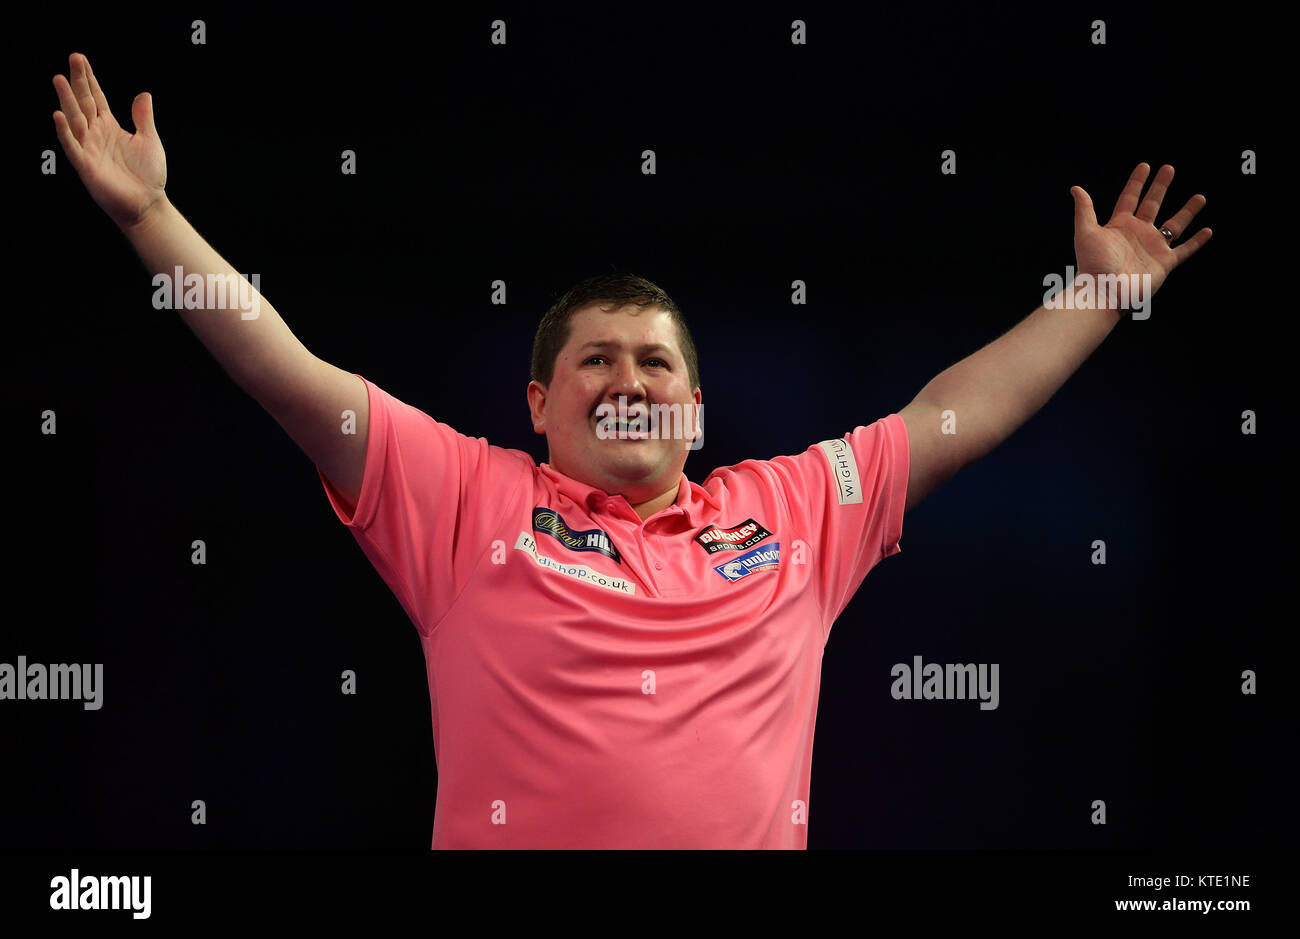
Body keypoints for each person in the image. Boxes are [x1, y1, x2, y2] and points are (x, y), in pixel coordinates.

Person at [51, 52, 1212, 849]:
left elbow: (961, 414)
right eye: (596, 362)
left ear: (696, 411)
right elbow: (287, 373)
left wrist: (1097, 298)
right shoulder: (463, 497)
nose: (629, 380)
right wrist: (153, 222)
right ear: (539, 406)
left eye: (654, 363)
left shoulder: (793, 512)